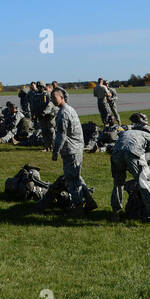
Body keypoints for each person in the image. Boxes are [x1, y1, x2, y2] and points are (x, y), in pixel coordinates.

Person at [109, 113, 150, 230]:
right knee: (145, 184)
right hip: (133, 153)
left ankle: (115, 214)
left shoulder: (127, 132)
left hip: (116, 153)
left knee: (118, 183)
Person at [48, 86, 96, 215]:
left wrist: (55, 152)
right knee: (77, 177)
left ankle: (78, 207)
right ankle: (90, 201)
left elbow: (61, 135)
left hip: (71, 150)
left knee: (72, 180)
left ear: (62, 97)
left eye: (54, 97)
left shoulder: (63, 113)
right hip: (76, 148)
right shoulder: (70, 109)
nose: (52, 100)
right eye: (51, 98)